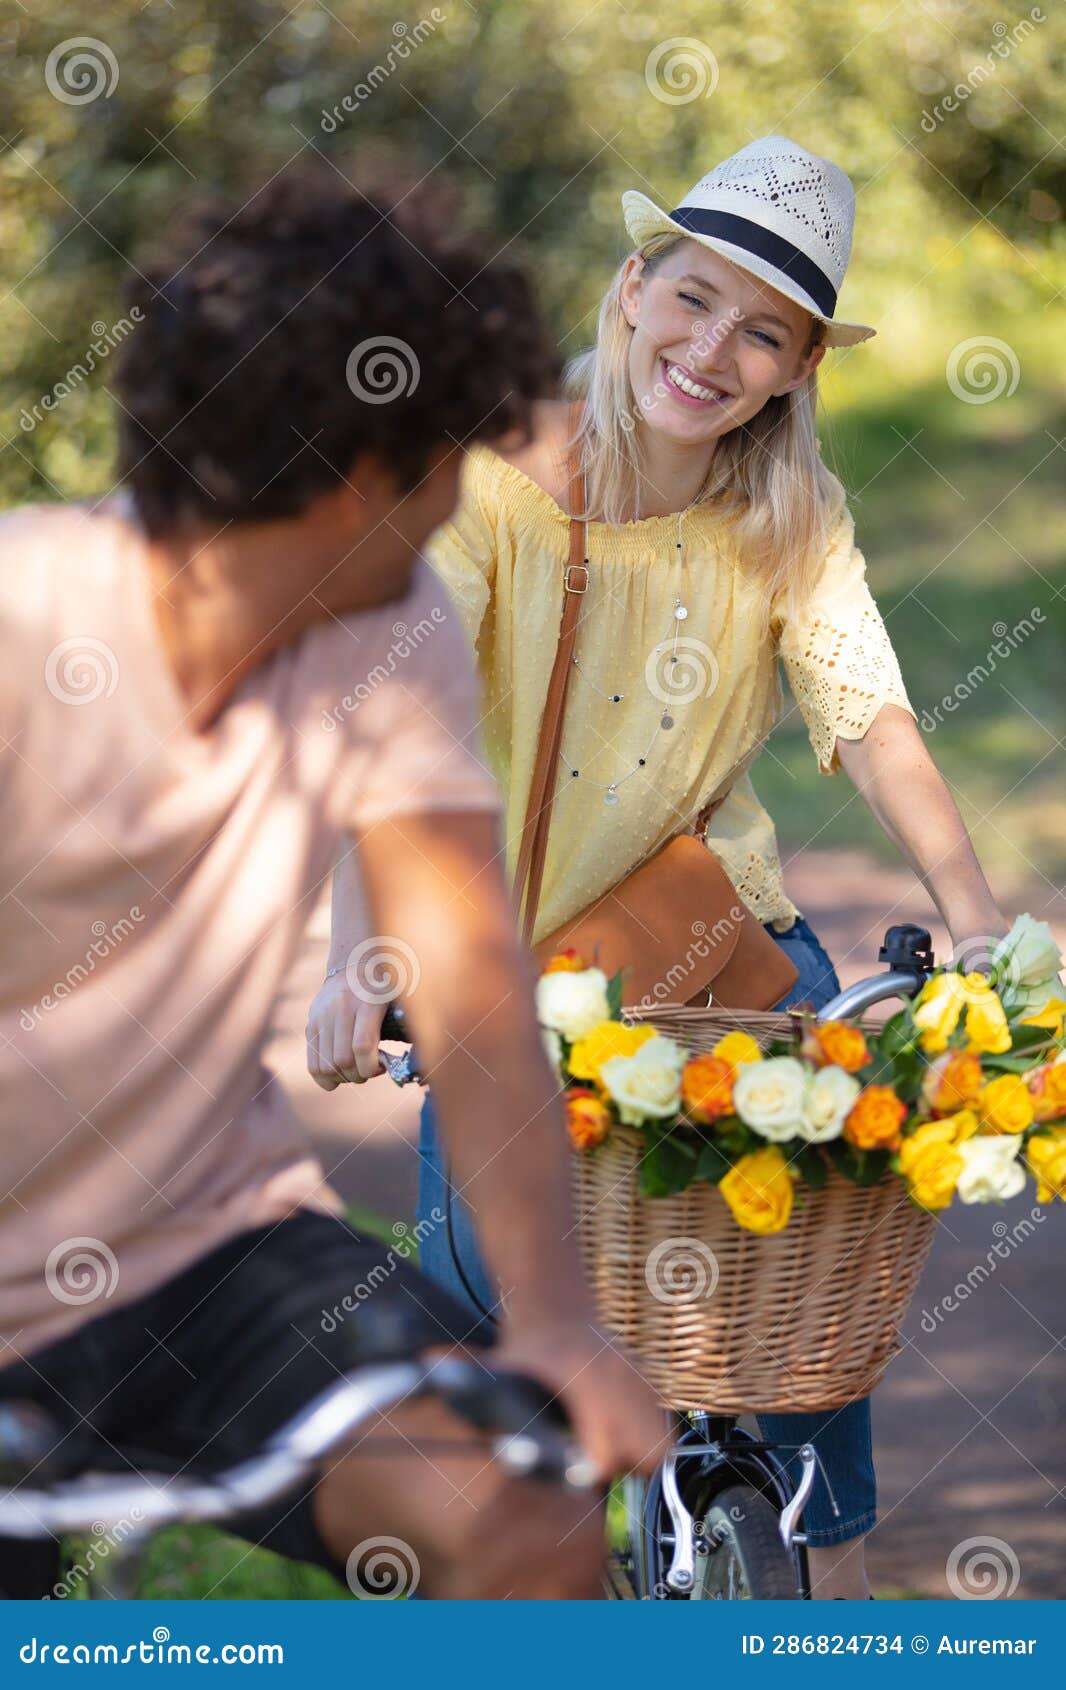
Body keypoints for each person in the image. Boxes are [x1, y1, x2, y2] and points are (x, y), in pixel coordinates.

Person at [308, 136, 1015, 1599]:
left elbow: (870, 718)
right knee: (499, 1376)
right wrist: (349, 955)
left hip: (726, 958)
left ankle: (836, 1611)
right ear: (633, 290)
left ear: (795, 367)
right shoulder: (494, 483)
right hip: (501, 995)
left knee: (805, 1345)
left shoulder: (787, 520)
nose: (712, 349)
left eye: (761, 331)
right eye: (692, 300)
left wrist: (984, 920)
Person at [0, 163, 668, 1601]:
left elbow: (471, 986)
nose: (457, 501)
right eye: (444, 462)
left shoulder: (392, 632)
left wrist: (554, 1324)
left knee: (523, 1518)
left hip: (208, 1250)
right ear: (369, 474)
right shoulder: (25, 619)